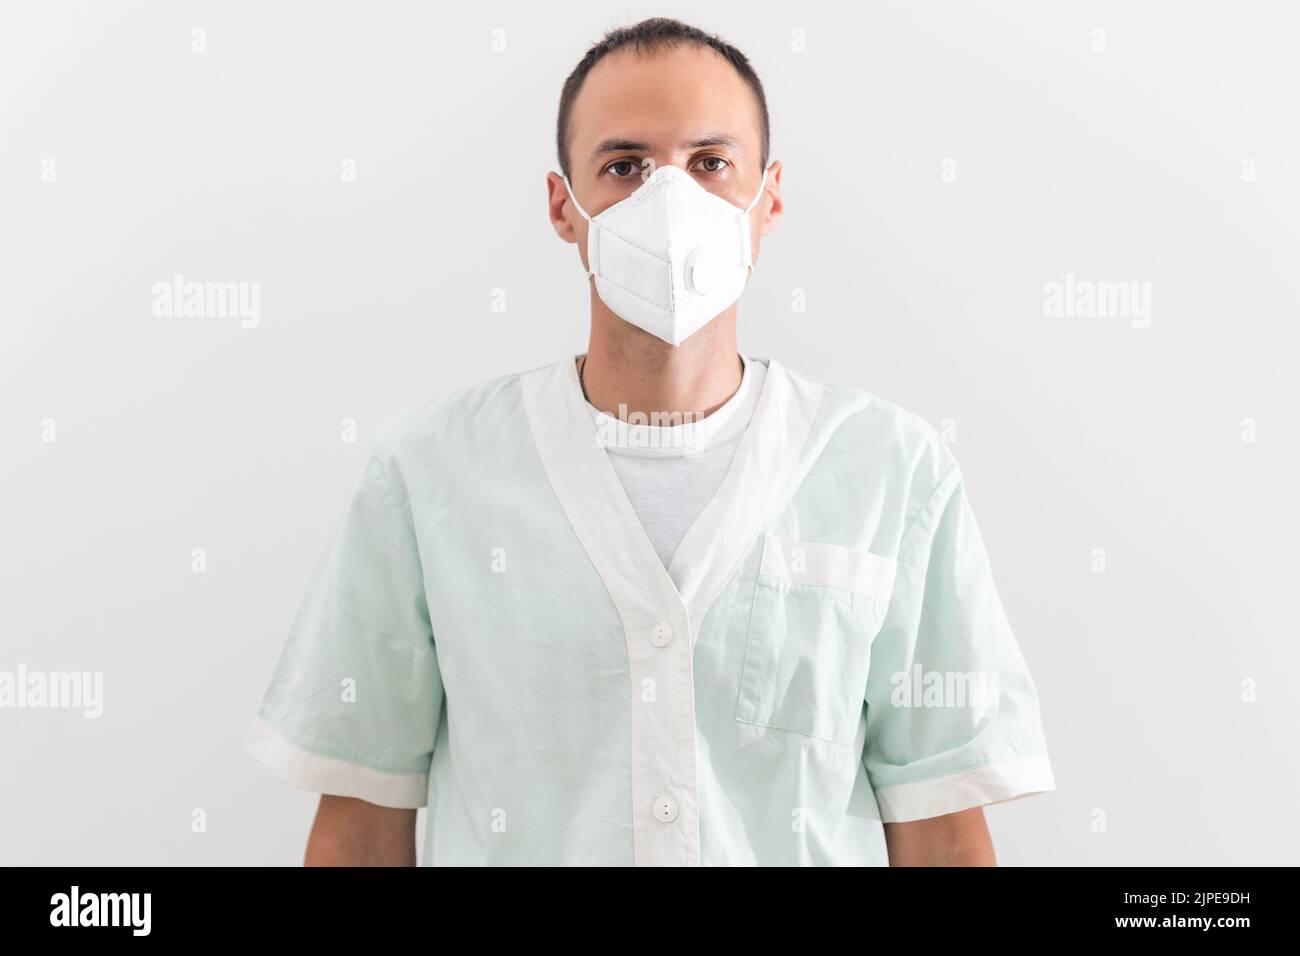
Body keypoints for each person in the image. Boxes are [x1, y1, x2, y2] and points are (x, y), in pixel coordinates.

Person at [241, 16, 1055, 866]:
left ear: (767, 199)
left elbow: (942, 833)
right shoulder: (428, 473)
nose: (671, 200)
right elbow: (362, 833)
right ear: (565, 207)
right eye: (624, 166)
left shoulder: (892, 472)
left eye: (710, 163)